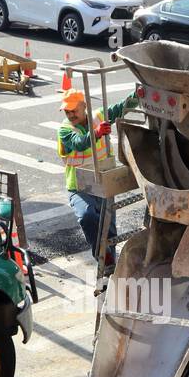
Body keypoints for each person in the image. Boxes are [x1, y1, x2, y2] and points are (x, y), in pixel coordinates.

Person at [57, 87, 135, 264]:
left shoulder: (98, 116)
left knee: (109, 228)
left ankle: (109, 264)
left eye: (74, 110)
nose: (70, 115)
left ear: (84, 106)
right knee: (87, 216)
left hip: (104, 179)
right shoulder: (64, 130)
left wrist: (136, 96)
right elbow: (78, 144)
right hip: (80, 184)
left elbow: (120, 108)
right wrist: (97, 133)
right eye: (67, 112)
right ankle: (101, 256)